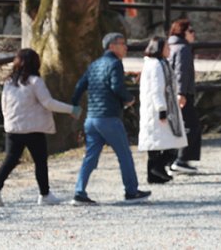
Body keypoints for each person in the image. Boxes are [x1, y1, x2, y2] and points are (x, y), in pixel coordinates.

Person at [0, 48, 80, 207]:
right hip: (33, 128)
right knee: (40, 161)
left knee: (10, 160)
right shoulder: (35, 81)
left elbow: (4, 105)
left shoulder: (9, 82)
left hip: (13, 127)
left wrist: (8, 121)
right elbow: (48, 103)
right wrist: (71, 109)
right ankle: (44, 194)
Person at [71, 33, 151, 204]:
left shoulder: (94, 65)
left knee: (90, 157)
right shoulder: (115, 64)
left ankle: (79, 192)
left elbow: (79, 86)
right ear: (111, 46)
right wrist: (128, 99)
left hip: (91, 119)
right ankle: (131, 191)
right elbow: (116, 86)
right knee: (124, 155)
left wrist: (74, 105)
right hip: (109, 118)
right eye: (122, 44)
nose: (126, 47)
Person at [138, 36, 187, 184]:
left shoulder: (158, 63)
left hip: (156, 108)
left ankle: (154, 175)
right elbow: (156, 89)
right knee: (171, 143)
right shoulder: (156, 66)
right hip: (159, 109)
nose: (169, 49)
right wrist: (162, 109)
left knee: (155, 144)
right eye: (166, 47)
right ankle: (158, 168)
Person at [166, 18, 202, 174]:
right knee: (191, 126)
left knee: (176, 126)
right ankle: (181, 160)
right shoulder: (183, 49)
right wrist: (181, 93)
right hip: (182, 93)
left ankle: (172, 160)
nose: (193, 34)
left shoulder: (170, 47)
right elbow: (181, 72)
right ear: (183, 32)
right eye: (191, 31)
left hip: (169, 94)